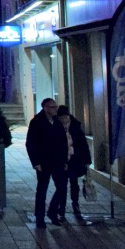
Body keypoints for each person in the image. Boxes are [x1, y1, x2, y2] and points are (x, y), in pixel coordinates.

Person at [25, 97, 67, 229]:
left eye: (56, 107)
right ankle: (40, 218)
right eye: (53, 107)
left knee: (62, 187)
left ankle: (52, 211)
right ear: (46, 108)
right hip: (43, 162)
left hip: (58, 161)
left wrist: (65, 160)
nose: (56, 110)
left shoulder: (57, 122)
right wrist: (36, 161)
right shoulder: (37, 122)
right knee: (42, 189)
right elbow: (30, 143)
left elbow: (63, 142)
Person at [57, 105, 92, 225]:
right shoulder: (56, 127)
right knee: (62, 185)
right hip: (61, 161)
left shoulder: (76, 127)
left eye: (65, 117)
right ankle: (61, 207)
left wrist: (87, 160)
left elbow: (83, 144)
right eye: (61, 117)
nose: (64, 120)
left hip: (74, 160)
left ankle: (75, 204)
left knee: (73, 183)